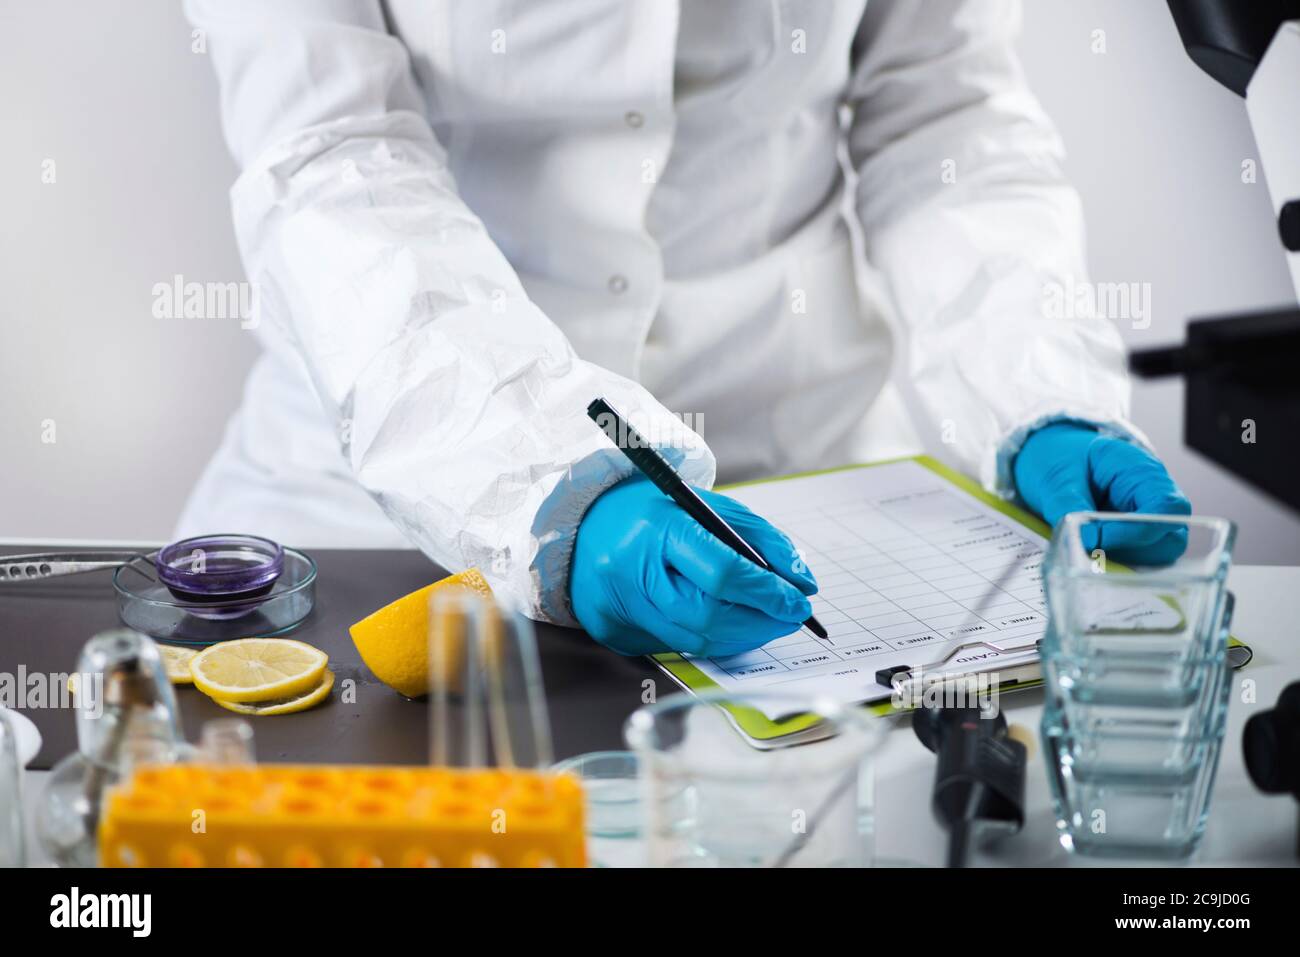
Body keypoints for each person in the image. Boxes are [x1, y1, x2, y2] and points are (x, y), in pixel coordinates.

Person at [181, 0, 1188, 659]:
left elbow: (943, 121)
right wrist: (544, 480)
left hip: (803, 479)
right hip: (389, 492)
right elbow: (331, 158)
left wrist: (1033, 391)